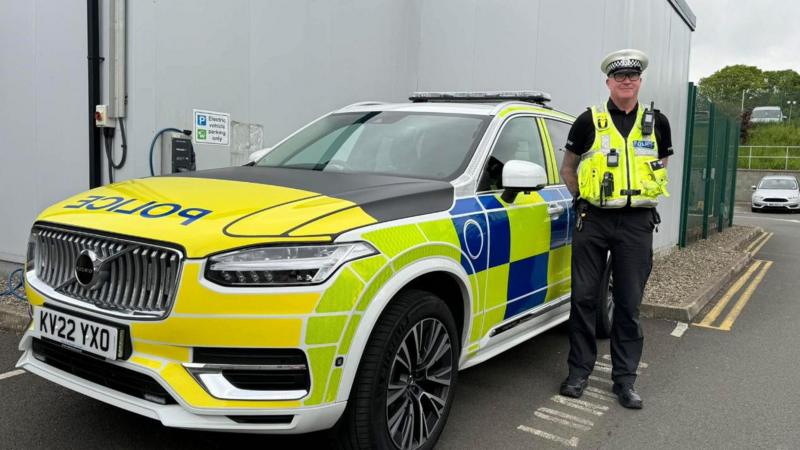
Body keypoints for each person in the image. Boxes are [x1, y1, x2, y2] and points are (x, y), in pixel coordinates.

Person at [558, 49, 673, 409]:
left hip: (637, 224)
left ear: (640, 82)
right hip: (593, 220)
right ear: (608, 82)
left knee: (628, 304)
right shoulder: (588, 121)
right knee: (584, 299)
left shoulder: (657, 123)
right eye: (619, 77)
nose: (626, 81)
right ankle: (579, 372)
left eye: (632, 77)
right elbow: (568, 168)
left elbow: (660, 165)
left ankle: (624, 381)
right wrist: (582, 201)